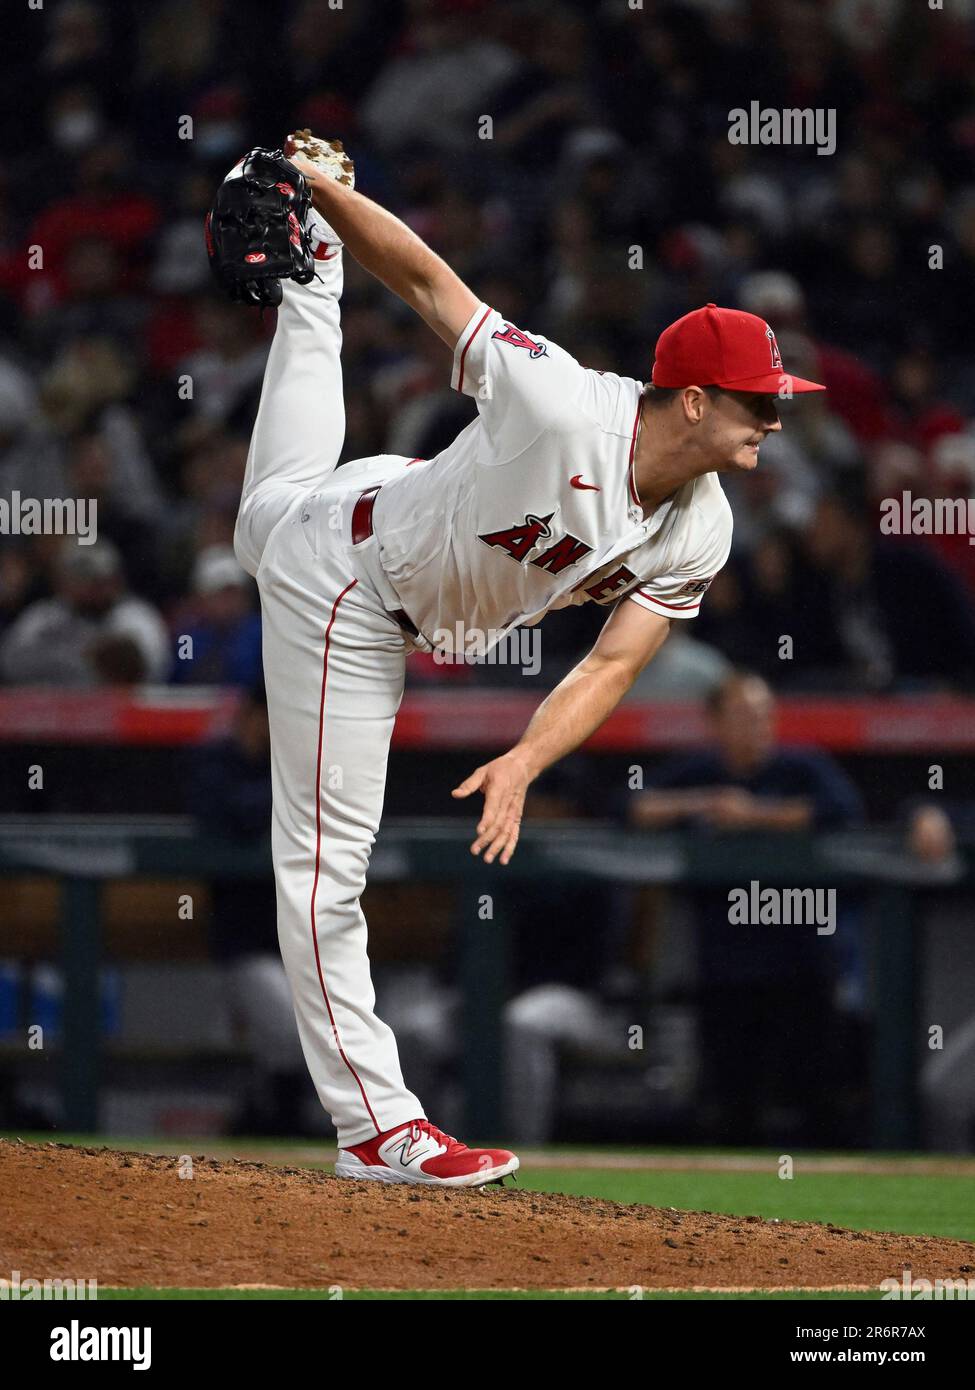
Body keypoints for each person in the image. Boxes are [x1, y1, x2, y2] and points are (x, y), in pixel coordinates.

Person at [221, 131, 825, 1187]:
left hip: (364, 506)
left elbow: (607, 666)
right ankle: (376, 1127)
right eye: (757, 400)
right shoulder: (562, 401)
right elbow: (425, 280)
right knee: (326, 868)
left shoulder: (704, 526)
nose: (775, 416)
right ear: (693, 399)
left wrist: (527, 761)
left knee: (265, 514)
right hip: (350, 588)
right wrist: (323, 186)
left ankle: (305, 251)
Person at [628, 671, 868, 1145]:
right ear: (714, 723)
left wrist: (753, 814)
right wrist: (706, 803)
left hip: (801, 962)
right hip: (727, 969)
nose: (757, 726)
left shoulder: (801, 768)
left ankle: (826, 1211)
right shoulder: (699, 772)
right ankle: (731, 1219)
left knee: (818, 1102)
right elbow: (630, 806)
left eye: (763, 716)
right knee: (731, 1107)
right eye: (742, 716)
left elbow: (843, 809)